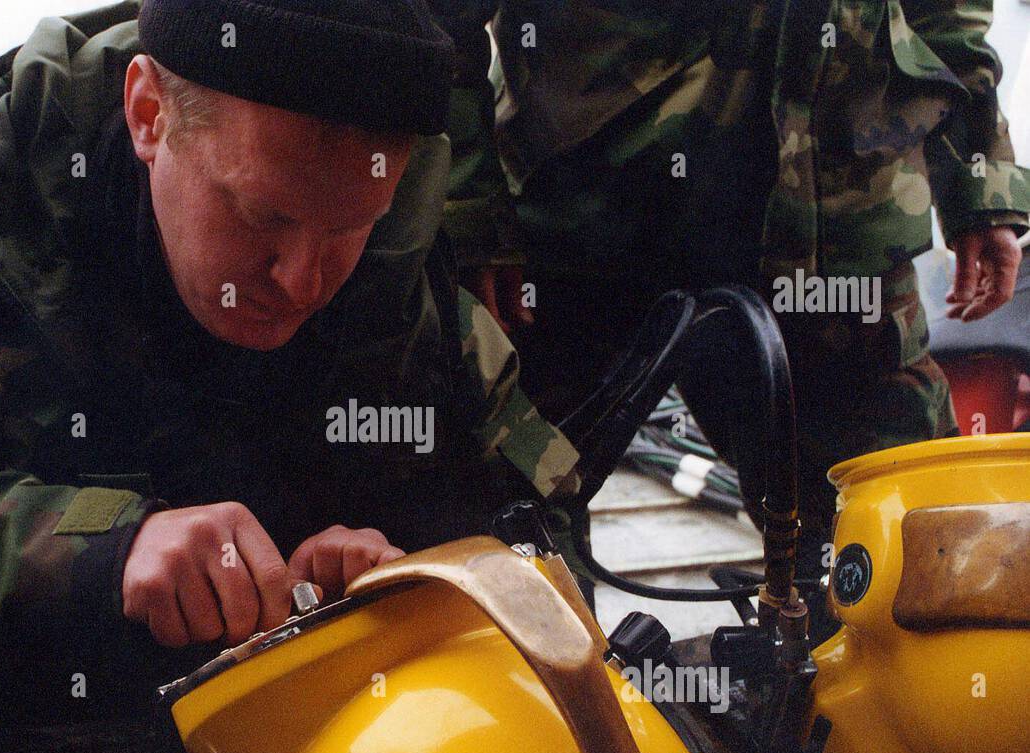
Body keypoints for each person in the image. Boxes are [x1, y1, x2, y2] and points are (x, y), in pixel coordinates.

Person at [0, 0, 580, 718]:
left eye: (347, 228)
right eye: (263, 218)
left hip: (242, 726)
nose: (303, 280)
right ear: (149, 114)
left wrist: (410, 584)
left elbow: (543, 539)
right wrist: (95, 551)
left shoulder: (406, 268)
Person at [433, 0, 1028, 632]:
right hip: (578, 217)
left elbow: (945, 11)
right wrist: (472, 214)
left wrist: (979, 183)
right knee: (503, 529)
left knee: (906, 544)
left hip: (834, 225)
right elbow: (446, 21)